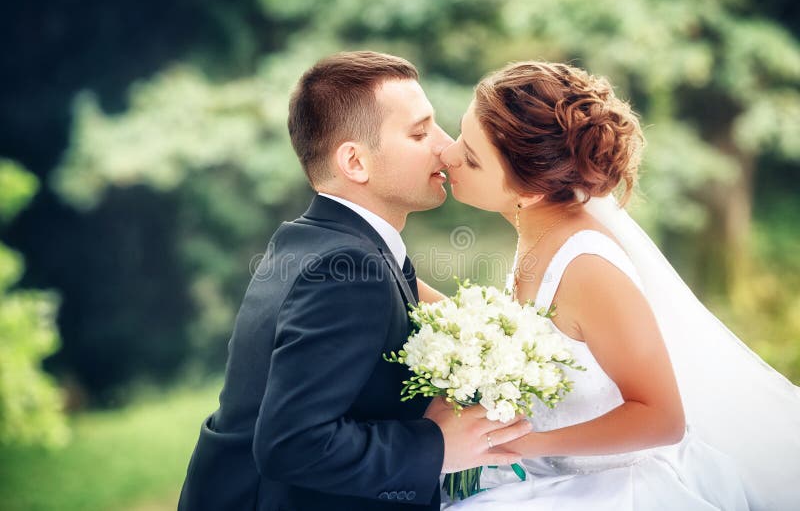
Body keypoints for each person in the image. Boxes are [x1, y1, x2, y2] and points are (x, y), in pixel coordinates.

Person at [435, 60, 800, 510]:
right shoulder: (537, 230)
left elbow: (663, 419)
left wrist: (522, 446)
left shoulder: (587, 267)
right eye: (460, 134)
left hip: (617, 487)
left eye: (471, 156)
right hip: (549, 476)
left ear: (528, 191)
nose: (447, 155)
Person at [177, 51, 532, 511]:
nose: (445, 147)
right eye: (420, 132)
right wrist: (437, 446)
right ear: (355, 163)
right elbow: (291, 443)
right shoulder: (348, 268)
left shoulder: (317, 241)